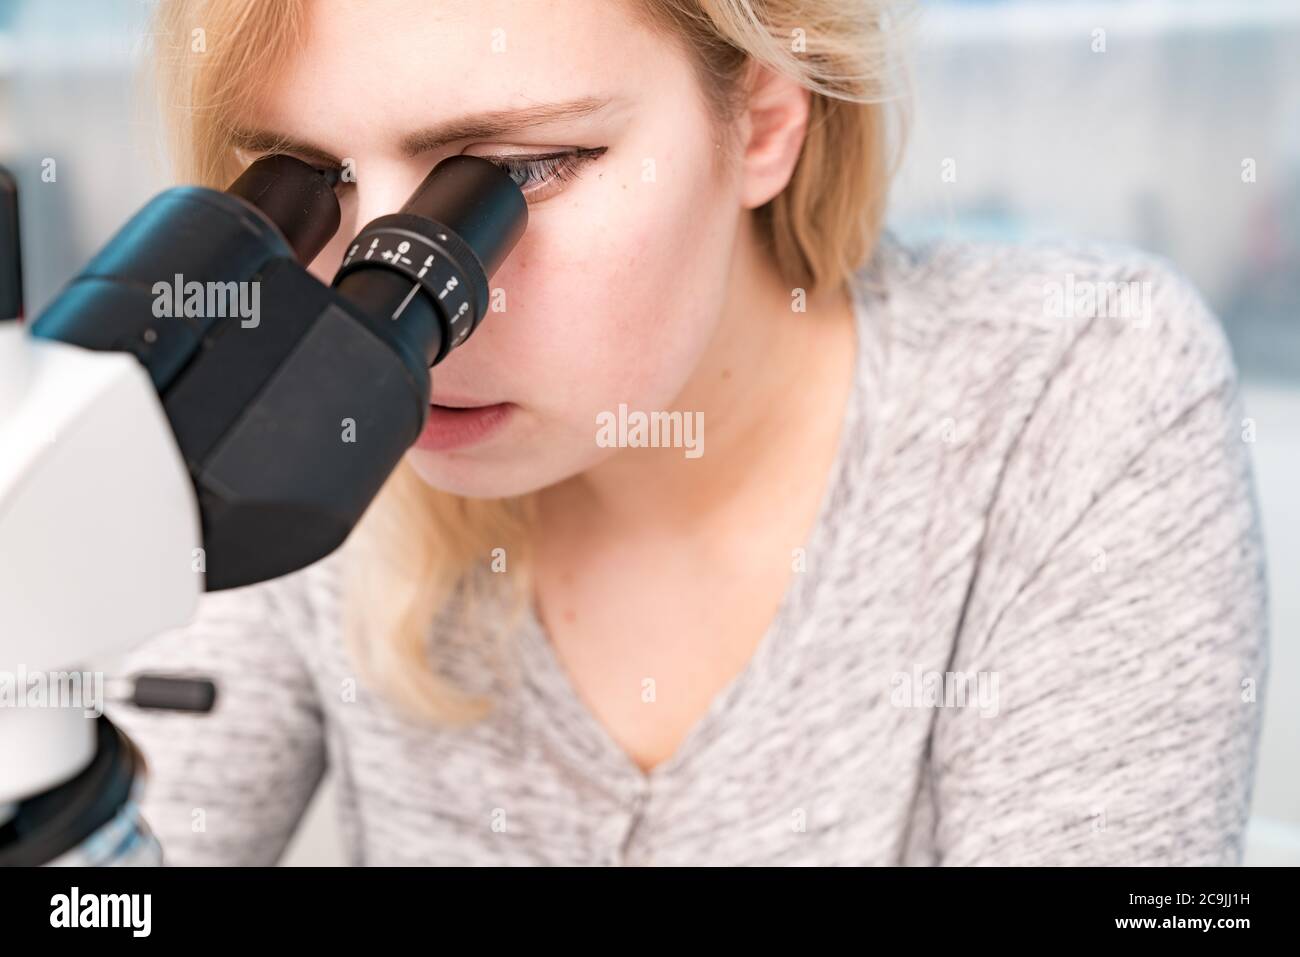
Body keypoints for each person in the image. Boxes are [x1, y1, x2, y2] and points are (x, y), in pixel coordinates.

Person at [110, 0, 1269, 866]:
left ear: (764, 122)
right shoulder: (291, 425)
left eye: (504, 176)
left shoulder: (1075, 389)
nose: (371, 300)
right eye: (301, 183)